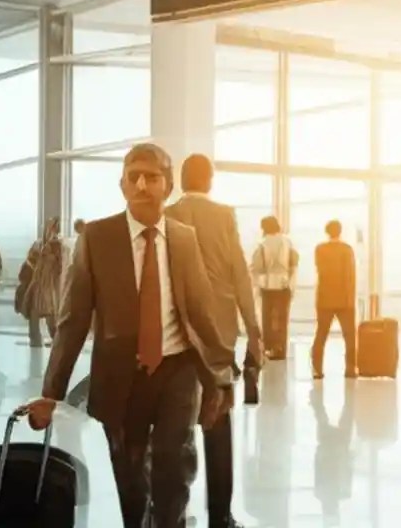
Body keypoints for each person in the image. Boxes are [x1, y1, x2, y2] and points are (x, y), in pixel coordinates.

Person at [22, 142, 235, 528]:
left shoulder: (184, 239)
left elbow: (203, 315)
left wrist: (220, 378)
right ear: (122, 186)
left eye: (151, 178)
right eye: (132, 177)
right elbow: (74, 320)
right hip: (121, 374)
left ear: (167, 186)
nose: (141, 185)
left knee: (174, 465)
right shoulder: (98, 238)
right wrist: (51, 394)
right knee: (131, 474)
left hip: (177, 368)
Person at [165, 153, 263, 528]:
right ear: (210, 180)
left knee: (175, 423)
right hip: (219, 334)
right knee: (218, 422)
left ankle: (174, 513)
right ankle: (220, 516)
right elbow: (239, 272)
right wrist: (253, 328)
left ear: (180, 178)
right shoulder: (224, 215)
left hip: (178, 332)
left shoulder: (168, 214)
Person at [312, 220, 358, 380]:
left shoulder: (320, 249)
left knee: (321, 334)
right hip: (344, 300)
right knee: (349, 336)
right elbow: (350, 276)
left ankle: (317, 369)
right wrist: (350, 300)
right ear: (340, 231)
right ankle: (350, 369)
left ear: (327, 232)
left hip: (324, 299)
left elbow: (320, 270)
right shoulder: (347, 250)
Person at [251, 216, 299, 360]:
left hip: (267, 285)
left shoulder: (262, 243)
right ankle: (281, 349)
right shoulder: (288, 242)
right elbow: (294, 262)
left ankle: (269, 347)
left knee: (267, 317)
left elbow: (256, 266)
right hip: (284, 285)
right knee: (282, 318)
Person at [23, 218, 68, 346]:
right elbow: (31, 259)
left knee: (48, 312)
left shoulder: (57, 245)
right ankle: (36, 339)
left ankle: (54, 339)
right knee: (36, 310)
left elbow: (60, 266)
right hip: (39, 281)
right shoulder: (42, 243)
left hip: (48, 283)